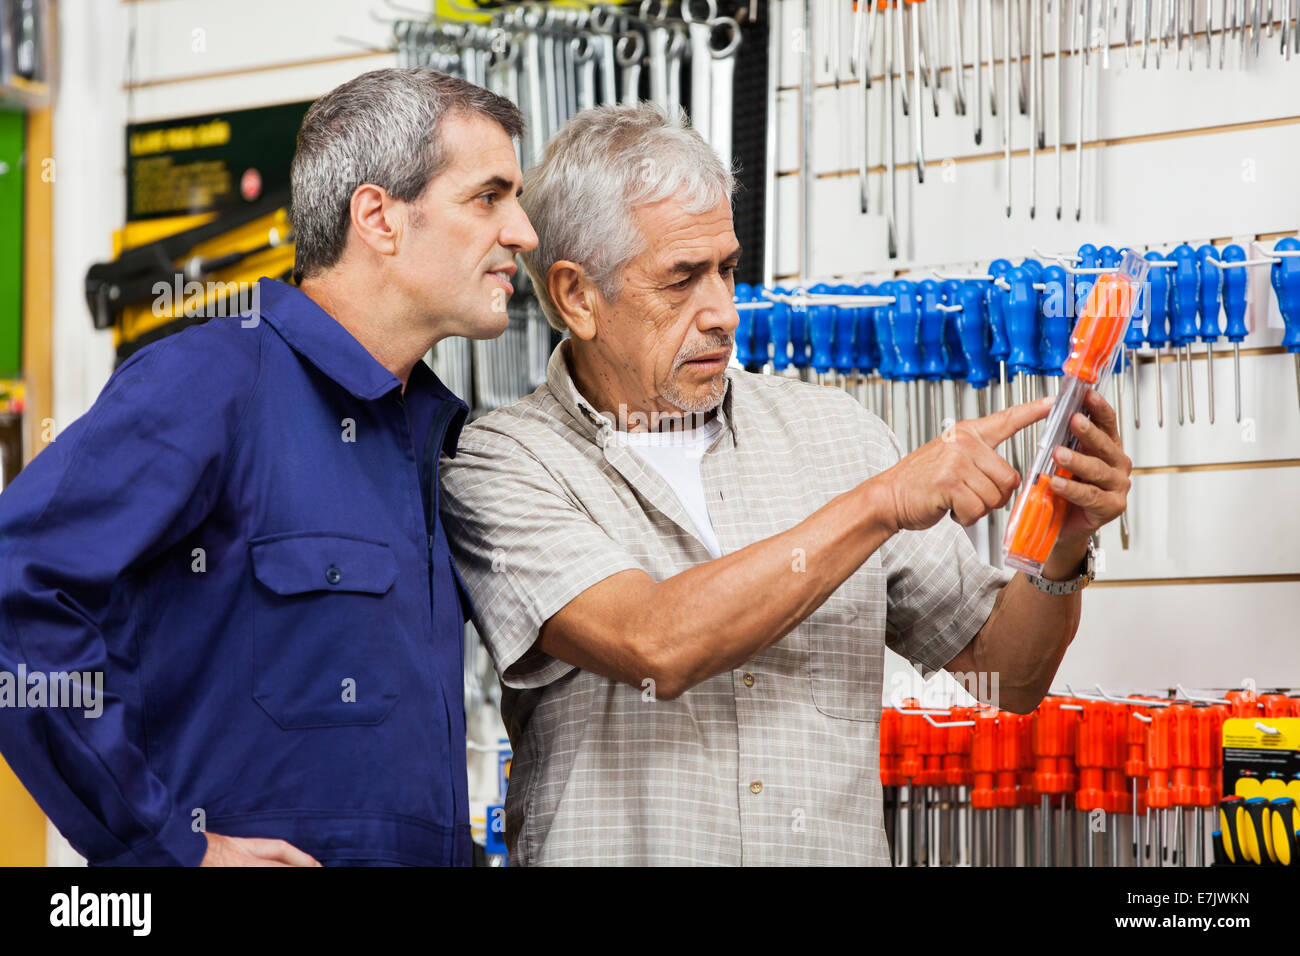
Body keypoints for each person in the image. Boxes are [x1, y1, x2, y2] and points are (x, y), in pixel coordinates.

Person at [439, 104, 1131, 866]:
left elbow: (1010, 677)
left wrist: (1063, 548)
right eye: (681, 280)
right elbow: (656, 642)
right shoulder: (500, 463)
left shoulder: (837, 433)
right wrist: (878, 505)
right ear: (576, 297)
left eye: (728, 269)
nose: (723, 313)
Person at [0, 67, 537, 866]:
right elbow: (17, 586)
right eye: (489, 197)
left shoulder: (424, 432)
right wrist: (168, 845)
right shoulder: (214, 381)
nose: (523, 232)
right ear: (379, 217)